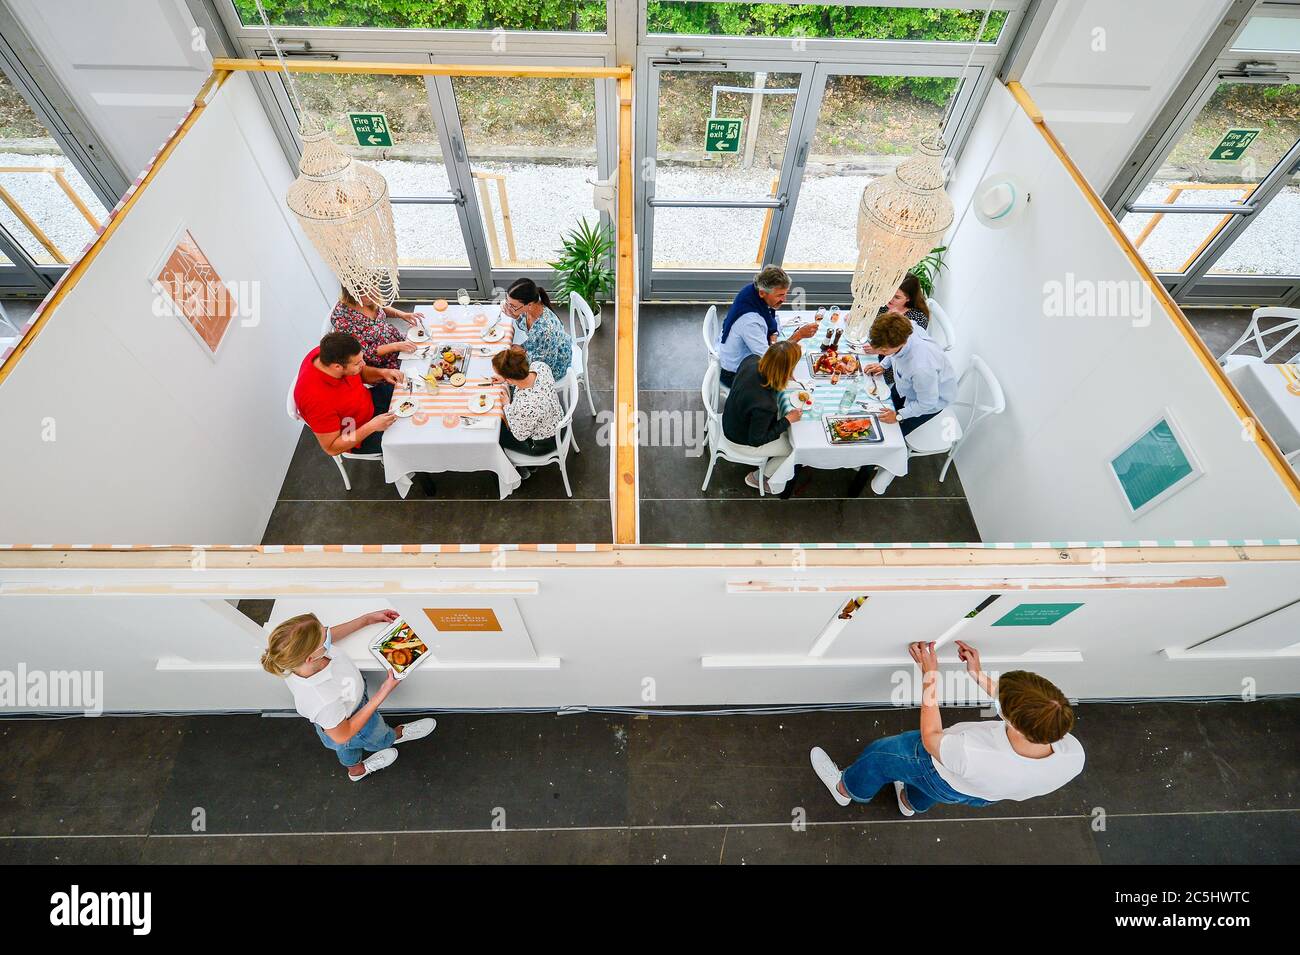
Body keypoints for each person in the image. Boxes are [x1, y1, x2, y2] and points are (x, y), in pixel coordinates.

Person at [810, 640, 1085, 815]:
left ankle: (846, 788)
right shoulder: (1067, 747)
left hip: (935, 765)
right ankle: (908, 803)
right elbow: (1021, 711)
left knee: (881, 756)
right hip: (977, 792)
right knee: (935, 792)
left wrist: (930, 675)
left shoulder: (973, 753)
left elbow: (931, 739)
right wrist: (977, 675)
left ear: (1013, 722)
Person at [261, 609, 437, 782]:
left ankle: (356, 770)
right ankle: (394, 736)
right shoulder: (322, 700)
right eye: (324, 638)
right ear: (310, 657)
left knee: (345, 749)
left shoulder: (289, 658)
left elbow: (328, 636)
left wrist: (366, 620)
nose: (329, 635)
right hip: (353, 724)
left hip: (337, 718)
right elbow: (343, 735)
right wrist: (384, 691)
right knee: (373, 736)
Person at [292, 331, 436, 494]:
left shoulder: (324, 352)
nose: (363, 363)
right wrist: (372, 426)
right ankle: (421, 471)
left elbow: (360, 372)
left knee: (418, 394)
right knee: (410, 438)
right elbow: (332, 447)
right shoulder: (314, 400)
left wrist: (382, 373)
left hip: (368, 400)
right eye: (357, 362)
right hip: (353, 429)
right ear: (337, 367)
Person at [849, 310, 958, 496]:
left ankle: (885, 465)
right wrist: (883, 365)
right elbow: (894, 353)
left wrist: (899, 415)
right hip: (906, 385)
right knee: (880, 413)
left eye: (882, 351)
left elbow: (927, 403)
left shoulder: (921, 367)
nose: (880, 353)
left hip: (930, 403)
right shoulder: (905, 327)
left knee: (888, 437)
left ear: (899, 343)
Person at [721, 340, 802, 494]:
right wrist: (787, 420)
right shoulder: (765, 405)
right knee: (794, 449)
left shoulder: (752, 360)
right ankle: (758, 477)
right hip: (737, 439)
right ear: (786, 370)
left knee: (784, 431)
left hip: (733, 417)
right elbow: (756, 440)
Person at [717, 265, 817, 388]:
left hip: (741, 354)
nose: (784, 300)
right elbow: (771, 358)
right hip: (733, 374)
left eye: (785, 294)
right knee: (783, 378)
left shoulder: (752, 291)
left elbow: (770, 315)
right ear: (762, 293)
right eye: (780, 295)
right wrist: (799, 335)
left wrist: (773, 334)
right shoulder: (750, 322)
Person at [491, 345, 563, 480]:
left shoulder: (525, 405)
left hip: (543, 444)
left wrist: (506, 406)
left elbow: (519, 435)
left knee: (496, 433)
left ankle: (523, 469)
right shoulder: (540, 367)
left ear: (510, 379)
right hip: (555, 419)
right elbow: (524, 380)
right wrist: (506, 380)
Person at [329, 285, 422, 370]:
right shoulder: (343, 320)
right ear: (352, 293)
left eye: (375, 288)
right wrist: (396, 346)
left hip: (399, 341)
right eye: (368, 293)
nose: (374, 294)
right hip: (384, 364)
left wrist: (402, 315)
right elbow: (366, 354)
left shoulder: (368, 299)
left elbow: (381, 308)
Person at [503, 278, 571, 381]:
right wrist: (515, 316)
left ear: (529, 304)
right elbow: (528, 328)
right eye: (508, 302)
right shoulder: (532, 308)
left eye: (513, 306)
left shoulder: (546, 330)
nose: (508, 307)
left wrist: (523, 352)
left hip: (553, 367)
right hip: (539, 350)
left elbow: (544, 365)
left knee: (509, 378)